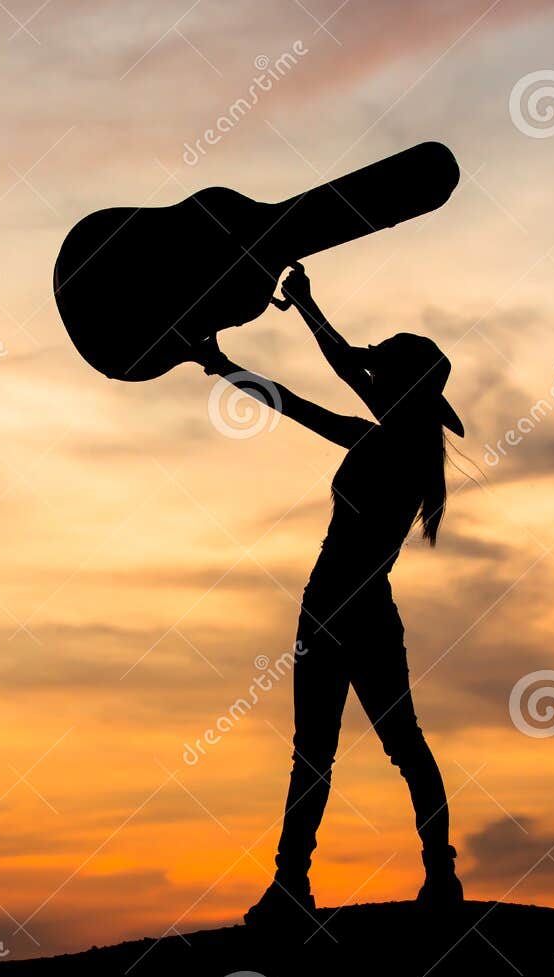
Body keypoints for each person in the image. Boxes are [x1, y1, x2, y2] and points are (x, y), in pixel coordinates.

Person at [192, 263, 465, 930]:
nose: (370, 377)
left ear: (399, 387)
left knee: (324, 751)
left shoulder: (387, 443)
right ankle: (432, 871)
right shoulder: (403, 439)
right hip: (358, 611)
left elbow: (303, 400)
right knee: (394, 745)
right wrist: (308, 307)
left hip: (338, 610)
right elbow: (346, 366)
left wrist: (224, 366)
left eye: (384, 375)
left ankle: (298, 883)